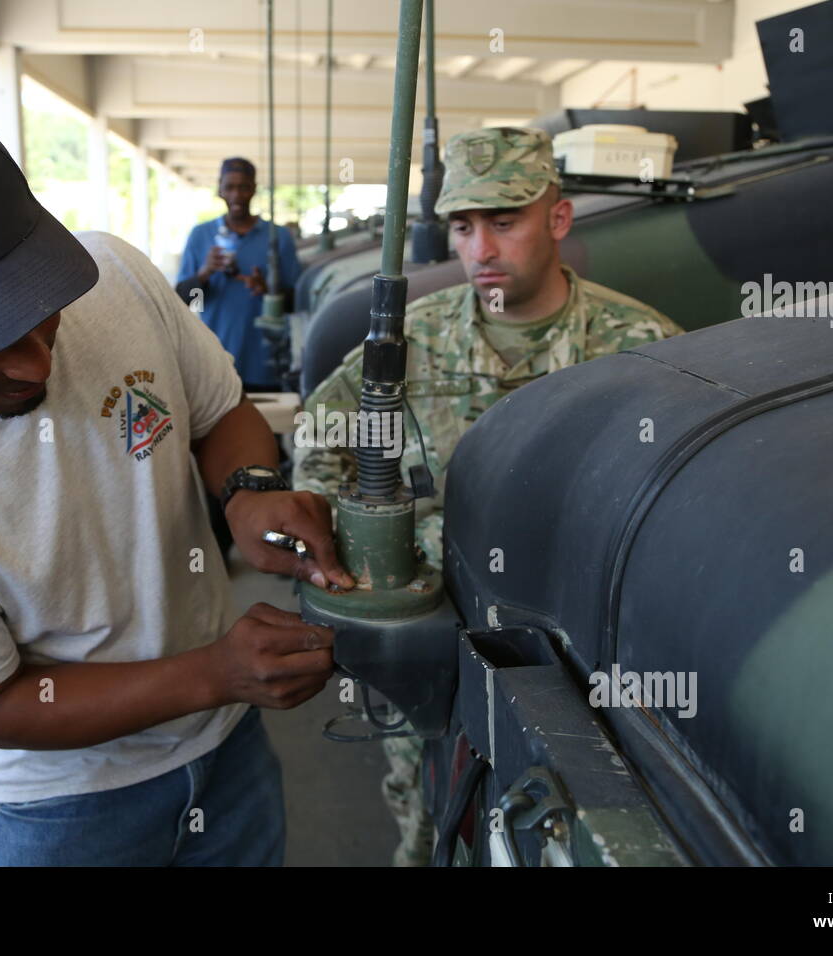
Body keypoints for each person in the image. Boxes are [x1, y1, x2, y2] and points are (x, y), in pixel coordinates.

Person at [0, 104, 353, 867]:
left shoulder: (115, 276)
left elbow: (220, 410)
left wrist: (249, 491)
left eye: (43, 312)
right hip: (65, 813)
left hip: (231, 756)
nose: (36, 364)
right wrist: (215, 672)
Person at [293, 126, 683, 866]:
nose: (480, 250)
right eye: (463, 227)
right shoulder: (413, 340)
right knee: (428, 816)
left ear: (558, 220)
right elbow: (322, 432)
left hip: (574, 661)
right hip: (435, 637)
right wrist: (343, 531)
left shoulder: (638, 347)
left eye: (504, 222)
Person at [175, 158, 302, 391]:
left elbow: (298, 303)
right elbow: (185, 301)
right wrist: (204, 273)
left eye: (244, 187)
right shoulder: (201, 235)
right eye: (230, 187)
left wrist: (269, 290)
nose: (237, 195)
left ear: (254, 189)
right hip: (216, 361)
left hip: (265, 363)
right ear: (220, 189)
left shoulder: (278, 236)